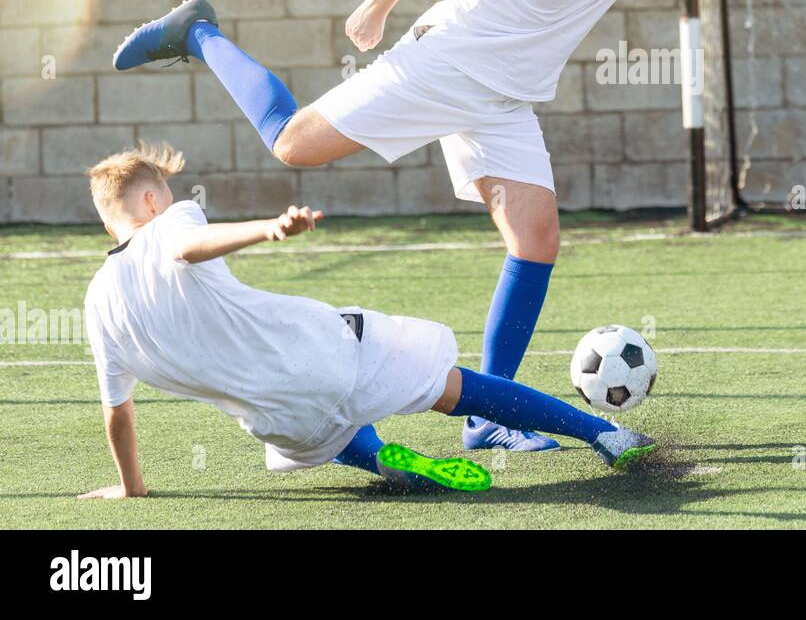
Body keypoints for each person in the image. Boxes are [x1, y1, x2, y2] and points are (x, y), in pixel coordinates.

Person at [110, 0, 788, 451]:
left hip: (505, 99)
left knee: (536, 239)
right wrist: (378, 3)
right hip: (445, 64)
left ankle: (485, 419)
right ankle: (198, 30)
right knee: (292, 145)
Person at [78, 141, 656, 500]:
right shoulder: (171, 223)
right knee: (449, 386)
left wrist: (132, 488)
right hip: (324, 351)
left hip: (276, 419)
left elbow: (117, 414)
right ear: (153, 202)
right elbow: (188, 246)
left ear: (110, 222)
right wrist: (266, 228)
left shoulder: (98, 303)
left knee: (333, 429)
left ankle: (381, 459)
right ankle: (603, 433)